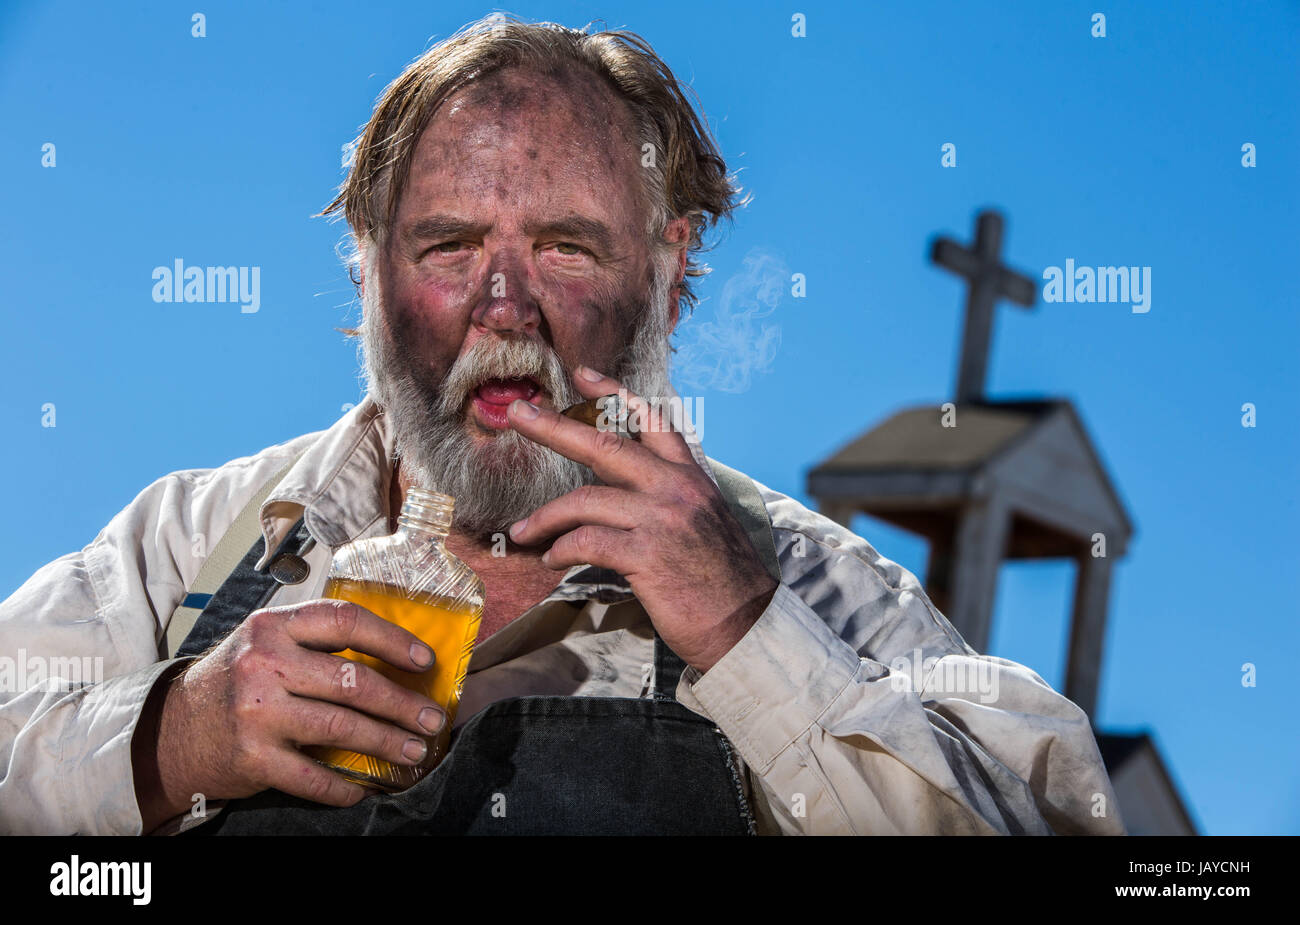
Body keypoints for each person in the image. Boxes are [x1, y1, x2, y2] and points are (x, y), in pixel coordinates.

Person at [0, 15, 1124, 836]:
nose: (504, 307)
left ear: (672, 272)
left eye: (565, 248)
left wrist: (748, 632)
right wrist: (169, 740)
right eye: (448, 248)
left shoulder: (819, 587)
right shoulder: (192, 544)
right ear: (368, 273)